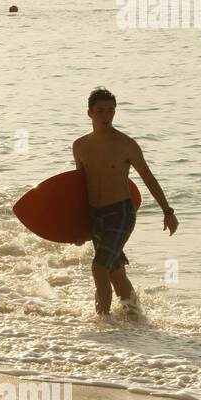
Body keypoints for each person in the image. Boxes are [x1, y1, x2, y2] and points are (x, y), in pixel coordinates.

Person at [72, 87, 178, 315]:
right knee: (115, 272)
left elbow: (148, 178)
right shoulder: (80, 146)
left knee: (99, 267)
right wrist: (78, 228)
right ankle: (136, 319)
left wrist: (168, 212)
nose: (106, 115)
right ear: (89, 113)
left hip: (120, 213)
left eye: (111, 110)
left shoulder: (126, 145)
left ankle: (104, 322)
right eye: (100, 110)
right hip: (95, 214)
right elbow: (79, 187)